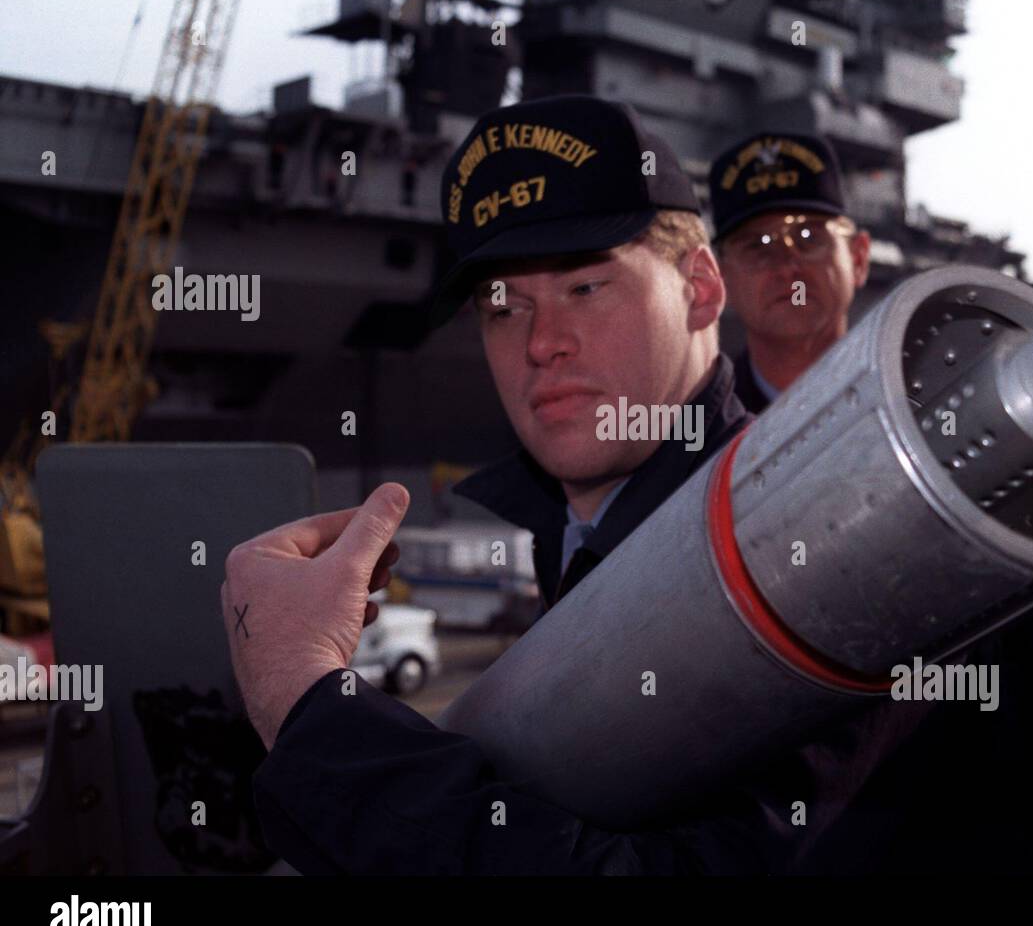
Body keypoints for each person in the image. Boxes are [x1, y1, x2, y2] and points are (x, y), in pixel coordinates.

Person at [223, 96, 932, 875]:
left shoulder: (825, 553)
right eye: (502, 304)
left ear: (700, 286)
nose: (541, 342)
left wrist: (308, 702)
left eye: (586, 286)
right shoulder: (575, 530)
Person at [708, 132, 872, 413]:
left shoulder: (912, 399)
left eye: (808, 237)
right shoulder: (699, 438)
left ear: (858, 258)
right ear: (721, 281)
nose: (786, 268)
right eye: (757, 246)